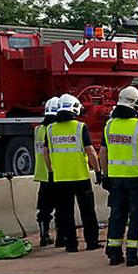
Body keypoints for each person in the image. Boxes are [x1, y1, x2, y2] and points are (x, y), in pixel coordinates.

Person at [100, 86, 138, 266]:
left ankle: (114, 253)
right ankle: (134, 254)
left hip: (116, 179)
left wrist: (105, 175)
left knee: (117, 215)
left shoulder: (109, 125)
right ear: (136, 104)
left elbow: (103, 152)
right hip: (137, 180)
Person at [44, 93, 102, 252]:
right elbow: (90, 151)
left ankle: (71, 245)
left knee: (65, 213)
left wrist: (51, 171)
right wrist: (97, 170)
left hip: (60, 177)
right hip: (80, 176)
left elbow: (45, 153)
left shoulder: (50, 129)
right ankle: (91, 242)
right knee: (88, 211)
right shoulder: (80, 127)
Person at [34, 97, 60, 246]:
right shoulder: (53, 130)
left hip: (42, 175)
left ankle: (44, 235)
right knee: (61, 206)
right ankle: (61, 234)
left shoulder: (38, 129)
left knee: (44, 208)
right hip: (55, 173)